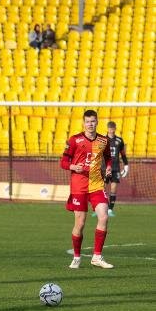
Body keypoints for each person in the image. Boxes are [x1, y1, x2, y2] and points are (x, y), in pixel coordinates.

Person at [60, 110, 113, 269]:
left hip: (97, 184)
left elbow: (108, 158)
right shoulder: (75, 140)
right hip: (79, 186)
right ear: (84, 123)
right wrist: (72, 166)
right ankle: (77, 257)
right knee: (80, 223)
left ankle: (97, 257)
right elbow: (63, 161)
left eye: (93, 121)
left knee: (103, 217)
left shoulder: (103, 140)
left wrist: (108, 168)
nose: (90, 124)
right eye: (88, 121)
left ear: (97, 122)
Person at [102, 121, 129, 217]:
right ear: (107, 129)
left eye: (113, 128)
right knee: (102, 189)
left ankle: (110, 210)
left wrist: (126, 165)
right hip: (105, 168)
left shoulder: (119, 140)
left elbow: (123, 154)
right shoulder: (102, 140)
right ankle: (101, 209)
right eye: (110, 128)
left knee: (113, 189)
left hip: (115, 168)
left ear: (115, 129)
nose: (111, 130)